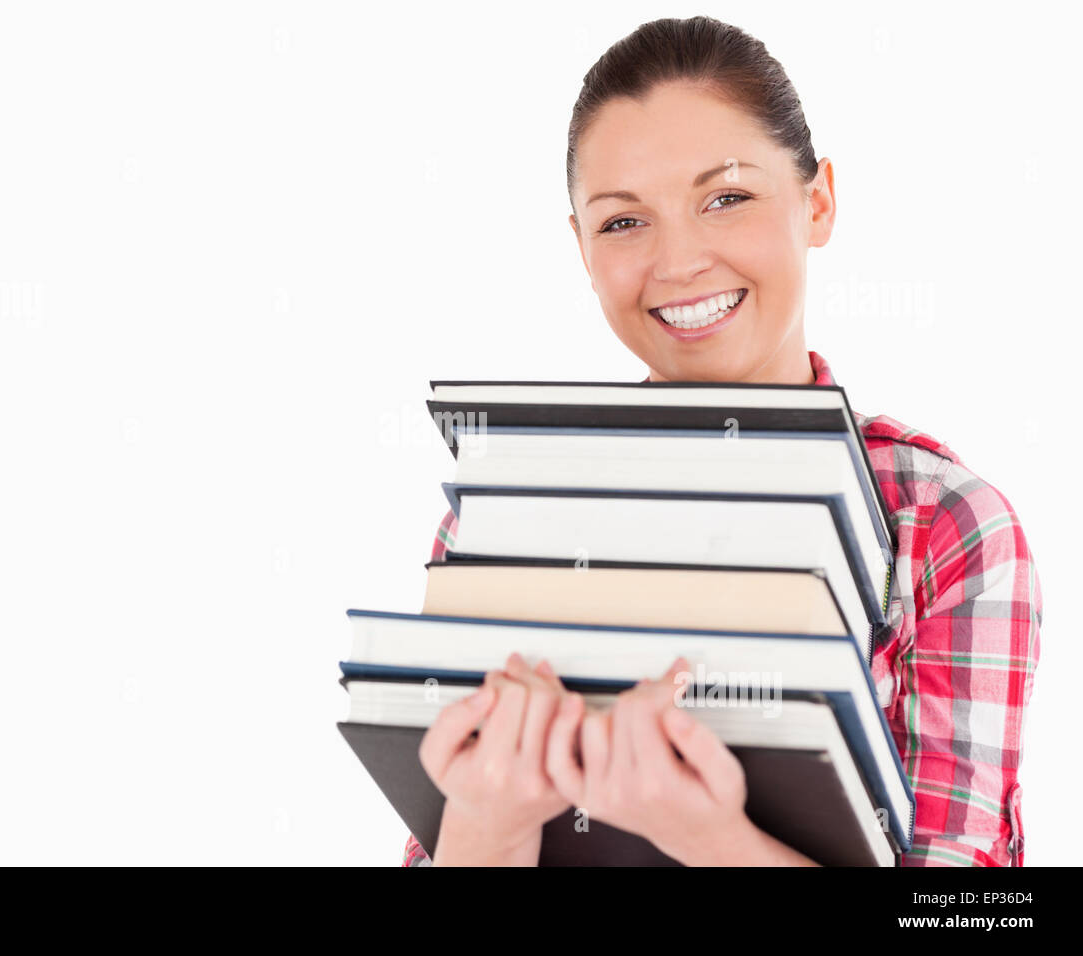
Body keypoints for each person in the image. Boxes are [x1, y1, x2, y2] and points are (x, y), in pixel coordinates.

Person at [402, 15, 1042, 867]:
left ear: (817, 203)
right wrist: (488, 828)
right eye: (624, 223)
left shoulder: (943, 528)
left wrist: (711, 838)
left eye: (727, 198)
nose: (678, 262)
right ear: (582, 253)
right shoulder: (500, 524)